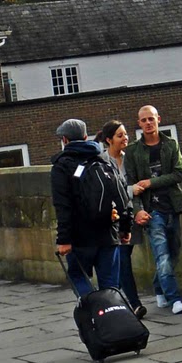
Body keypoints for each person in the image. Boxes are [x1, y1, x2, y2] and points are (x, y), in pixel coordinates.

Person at [50, 118, 127, 298]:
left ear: (65, 140)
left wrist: (64, 240)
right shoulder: (104, 158)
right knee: (110, 286)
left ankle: (94, 314)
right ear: (85, 137)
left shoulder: (61, 166)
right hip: (108, 233)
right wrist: (125, 227)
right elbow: (121, 194)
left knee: (77, 275)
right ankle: (112, 318)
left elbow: (63, 206)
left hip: (80, 237)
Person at [126, 104, 182, 314]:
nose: (148, 123)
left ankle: (159, 289)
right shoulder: (133, 151)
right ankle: (175, 299)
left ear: (158, 119)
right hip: (151, 210)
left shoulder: (170, 144)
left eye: (151, 119)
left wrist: (152, 183)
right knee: (161, 255)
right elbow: (132, 185)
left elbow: (179, 174)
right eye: (143, 120)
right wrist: (137, 211)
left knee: (173, 252)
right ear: (139, 123)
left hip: (172, 206)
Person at [96, 120, 145, 318]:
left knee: (121, 261)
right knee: (122, 260)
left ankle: (114, 303)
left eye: (125, 134)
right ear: (109, 140)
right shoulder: (101, 161)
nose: (125, 138)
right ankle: (134, 304)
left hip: (132, 215)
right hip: (113, 218)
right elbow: (105, 191)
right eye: (120, 135)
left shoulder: (130, 158)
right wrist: (130, 190)